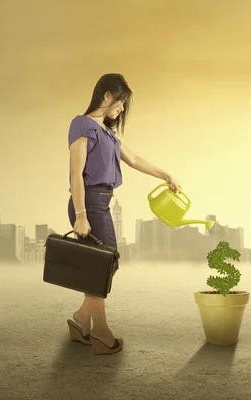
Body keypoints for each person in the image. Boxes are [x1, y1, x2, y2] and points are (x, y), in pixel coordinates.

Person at [66, 73, 180, 355]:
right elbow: (75, 174)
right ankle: (101, 333)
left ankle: (82, 320)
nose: (122, 108)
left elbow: (135, 159)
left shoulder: (108, 134)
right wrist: (81, 214)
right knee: (104, 265)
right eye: (121, 101)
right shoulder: (82, 125)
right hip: (89, 203)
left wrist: (165, 175)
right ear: (106, 95)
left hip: (100, 203)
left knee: (102, 265)